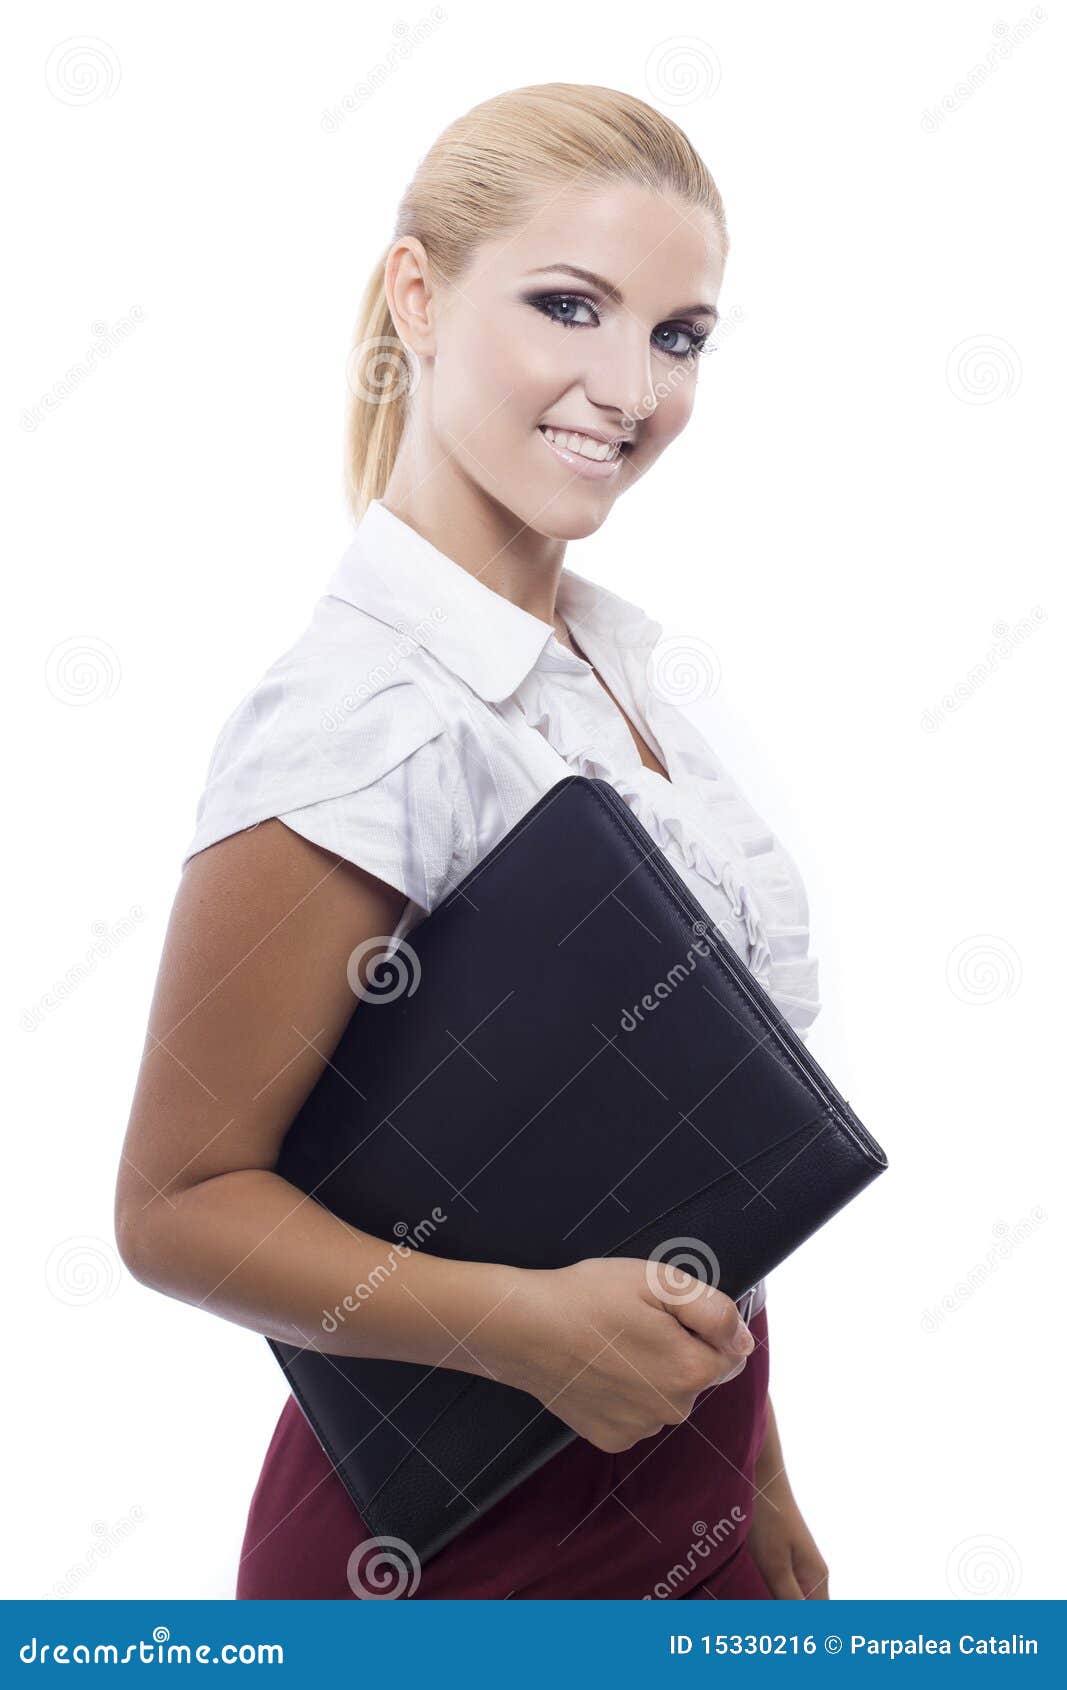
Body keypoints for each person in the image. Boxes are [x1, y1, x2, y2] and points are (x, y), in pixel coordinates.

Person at [114, 81, 830, 1602]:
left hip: (689, 1503)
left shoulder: (621, 677)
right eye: (569, 306)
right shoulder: (359, 708)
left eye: (678, 334)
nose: (629, 386)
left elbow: (690, 1151)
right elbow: (174, 1207)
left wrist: (762, 1480)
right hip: (461, 1557)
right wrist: (531, 1330)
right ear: (418, 295)